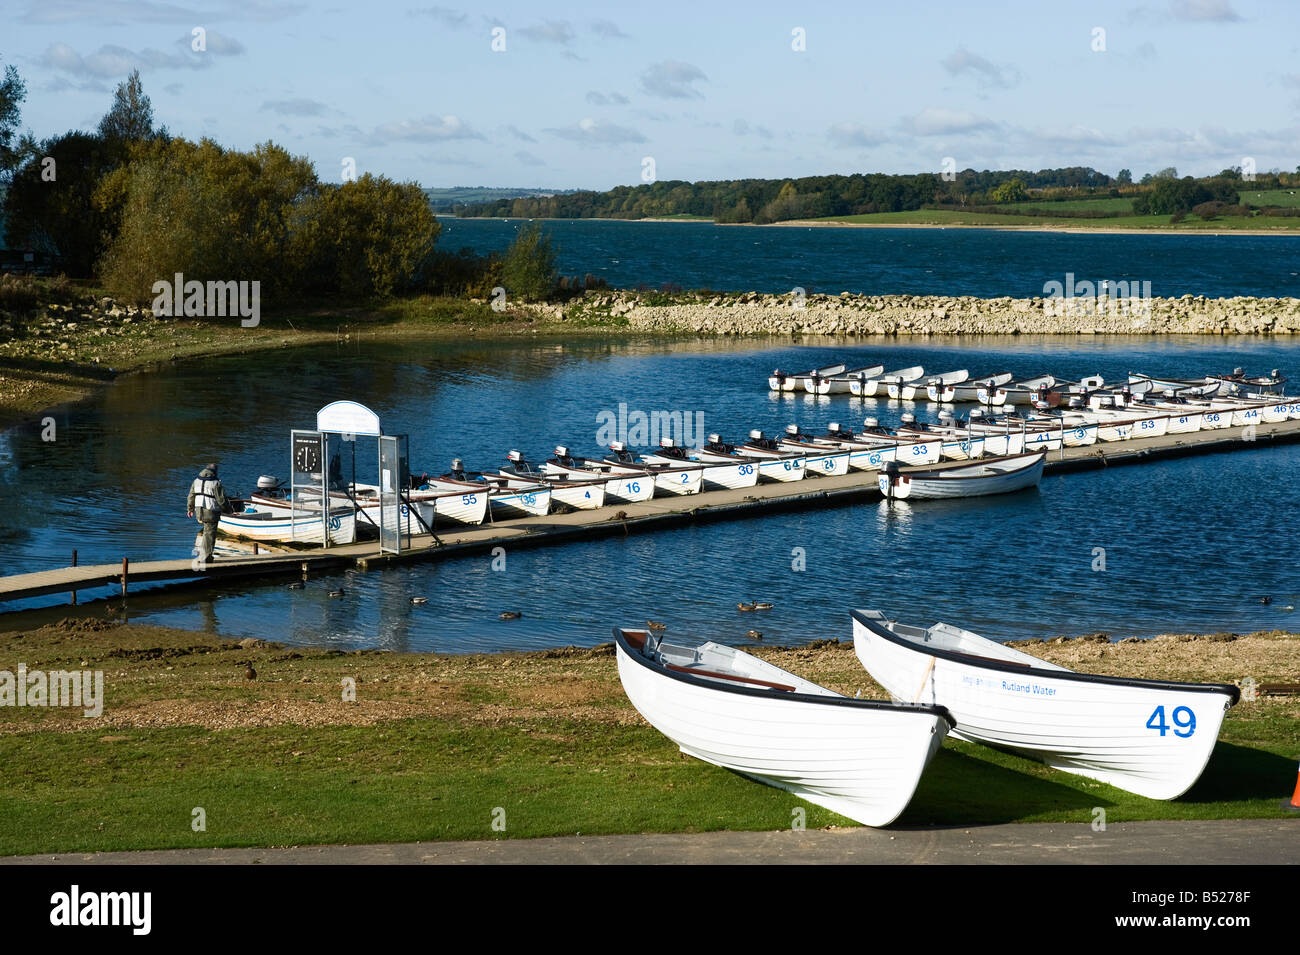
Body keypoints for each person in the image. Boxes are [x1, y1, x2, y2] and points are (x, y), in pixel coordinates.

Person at [187, 463, 228, 566]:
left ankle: (202, 555)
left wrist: (190, 509)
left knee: (206, 533)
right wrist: (229, 511)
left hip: (199, 511)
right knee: (210, 535)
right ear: (215, 471)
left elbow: (191, 496)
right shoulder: (215, 483)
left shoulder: (196, 481)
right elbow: (222, 500)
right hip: (211, 511)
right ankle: (206, 558)